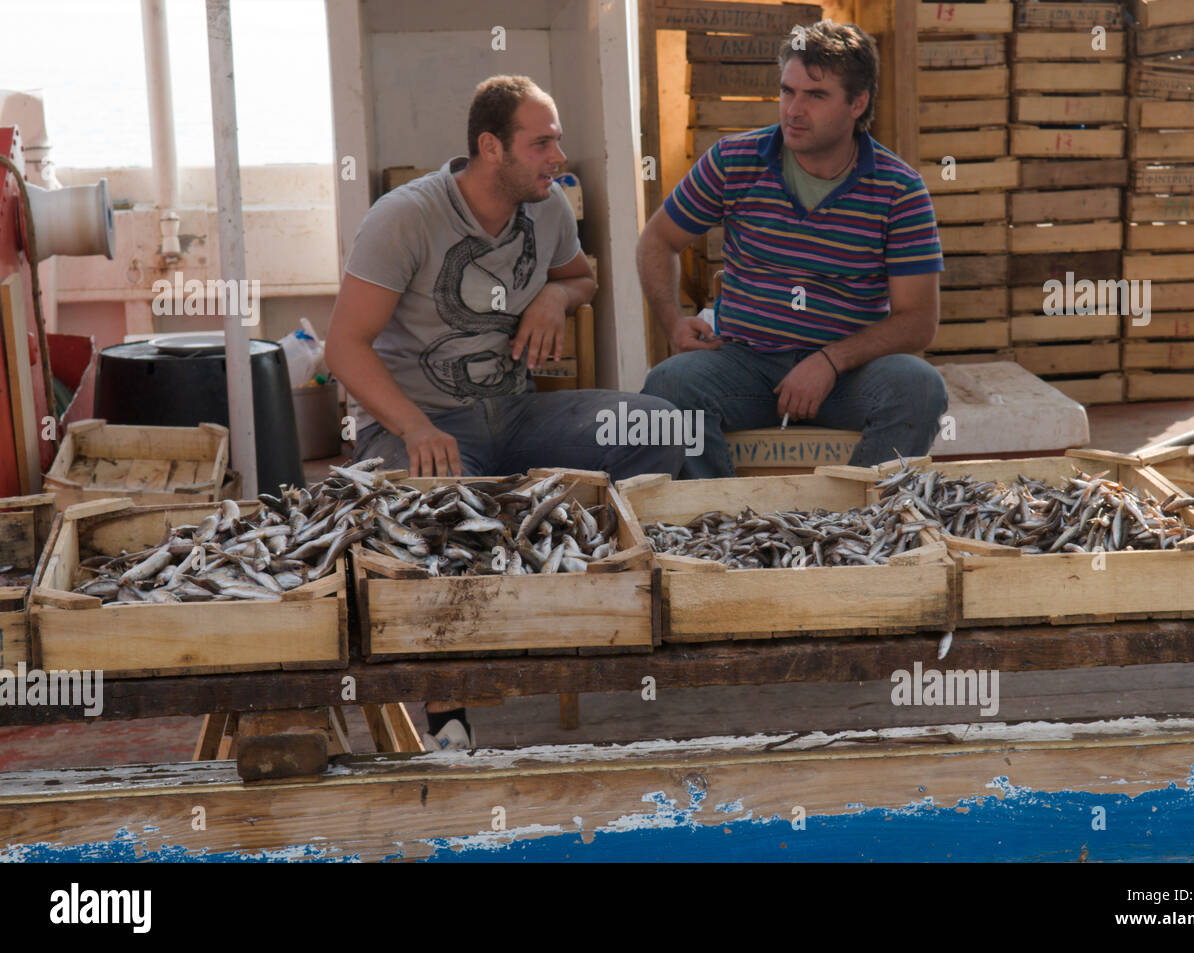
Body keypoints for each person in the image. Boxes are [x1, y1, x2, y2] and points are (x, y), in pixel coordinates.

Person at [325, 75, 684, 750]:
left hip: (516, 417)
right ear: (492, 148)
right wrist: (414, 426)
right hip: (418, 424)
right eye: (542, 141)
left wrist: (555, 298)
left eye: (559, 140)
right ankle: (448, 713)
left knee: (659, 426)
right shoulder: (405, 216)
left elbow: (584, 276)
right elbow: (343, 346)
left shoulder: (547, 209)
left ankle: (574, 616)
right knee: (433, 523)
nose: (559, 155)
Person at [638, 20, 948, 479]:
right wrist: (672, 321)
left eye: (815, 96)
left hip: (849, 376)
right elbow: (658, 240)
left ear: (857, 103)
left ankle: (864, 531)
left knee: (919, 388)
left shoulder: (898, 188)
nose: (793, 110)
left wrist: (829, 360)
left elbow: (919, 321)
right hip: (744, 364)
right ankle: (716, 528)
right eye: (788, 91)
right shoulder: (734, 160)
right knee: (667, 387)